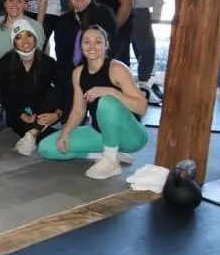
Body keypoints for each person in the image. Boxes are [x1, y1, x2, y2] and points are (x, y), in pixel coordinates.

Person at [38, 25, 148, 179]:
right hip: (100, 132)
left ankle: (110, 160)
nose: (92, 46)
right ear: (81, 46)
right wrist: (65, 132)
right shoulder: (78, 73)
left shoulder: (117, 69)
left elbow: (142, 108)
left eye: (98, 41)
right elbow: (78, 110)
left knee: (106, 102)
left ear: (106, 45)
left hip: (131, 136)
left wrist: (111, 91)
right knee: (48, 147)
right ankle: (110, 153)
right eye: (86, 42)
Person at [0, 20, 64, 156]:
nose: (25, 41)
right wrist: (21, 115)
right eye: (19, 37)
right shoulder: (5, 62)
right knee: (48, 136)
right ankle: (35, 132)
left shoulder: (48, 62)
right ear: (14, 42)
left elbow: (63, 90)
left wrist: (56, 114)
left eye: (29, 35)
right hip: (18, 113)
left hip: (42, 111)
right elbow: (2, 94)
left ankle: (32, 134)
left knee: (52, 91)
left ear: (35, 38)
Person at [54, 0, 119, 75]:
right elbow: (61, 54)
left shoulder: (103, 13)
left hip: (100, 71)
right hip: (70, 74)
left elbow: (112, 46)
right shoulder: (63, 21)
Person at [0, 0, 45, 81]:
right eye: (11, 1)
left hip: (27, 77)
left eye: (19, 1)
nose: (14, 5)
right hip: (1, 76)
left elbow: (37, 58)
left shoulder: (35, 27)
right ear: (5, 4)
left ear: (26, 5)